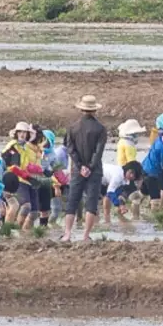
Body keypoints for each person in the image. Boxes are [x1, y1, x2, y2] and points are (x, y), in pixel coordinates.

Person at [61, 95, 106, 242]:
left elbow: (70, 149)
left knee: (72, 200)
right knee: (91, 202)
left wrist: (80, 166)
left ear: (81, 109)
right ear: (94, 111)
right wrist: (90, 167)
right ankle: (86, 235)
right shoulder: (100, 129)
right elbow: (98, 152)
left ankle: (67, 233)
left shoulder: (72, 128)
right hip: (94, 170)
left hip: (76, 169)